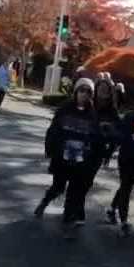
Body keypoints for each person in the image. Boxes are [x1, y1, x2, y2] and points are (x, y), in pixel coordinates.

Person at [35, 78, 103, 240]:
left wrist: (93, 153)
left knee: (74, 192)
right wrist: (51, 149)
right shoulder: (65, 109)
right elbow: (53, 131)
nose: (84, 94)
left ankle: (67, 222)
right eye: (82, 90)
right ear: (76, 92)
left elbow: (96, 138)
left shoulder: (93, 115)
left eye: (88, 92)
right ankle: (44, 202)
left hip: (80, 161)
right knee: (58, 187)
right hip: (62, 158)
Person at [105, 90, 134, 237]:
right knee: (126, 187)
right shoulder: (130, 116)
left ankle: (112, 209)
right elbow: (118, 136)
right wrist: (108, 154)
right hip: (126, 158)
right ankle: (124, 221)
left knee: (127, 186)